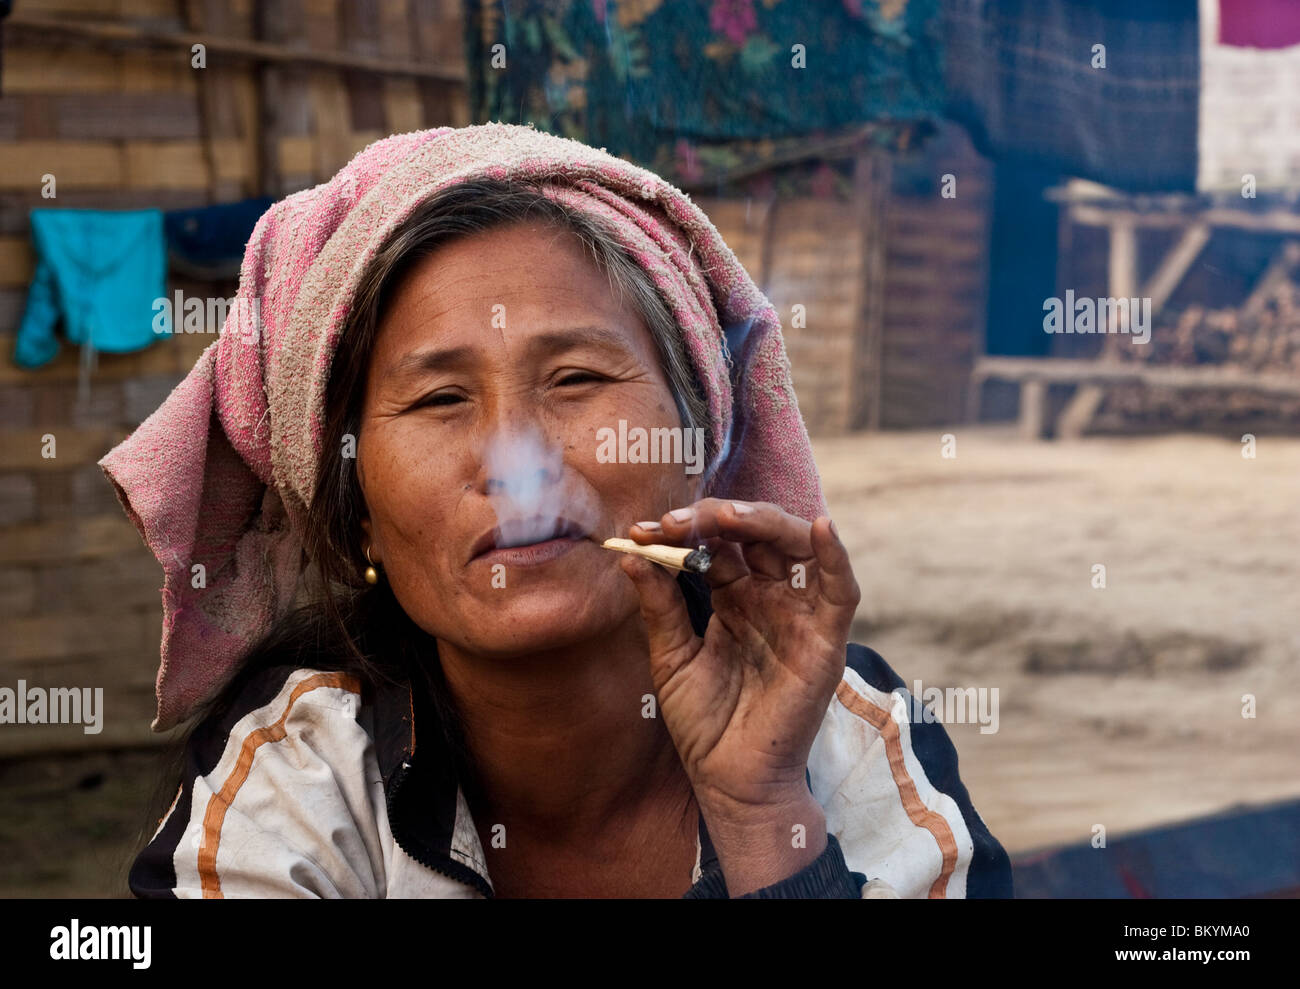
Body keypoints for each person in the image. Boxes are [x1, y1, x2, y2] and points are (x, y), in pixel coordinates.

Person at [104, 123, 1012, 899]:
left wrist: (763, 812)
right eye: (438, 401)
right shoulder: (301, 771)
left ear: (696, 448)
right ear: (360, 517)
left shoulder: (842, 731)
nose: (518, 460)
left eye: (577, 379)